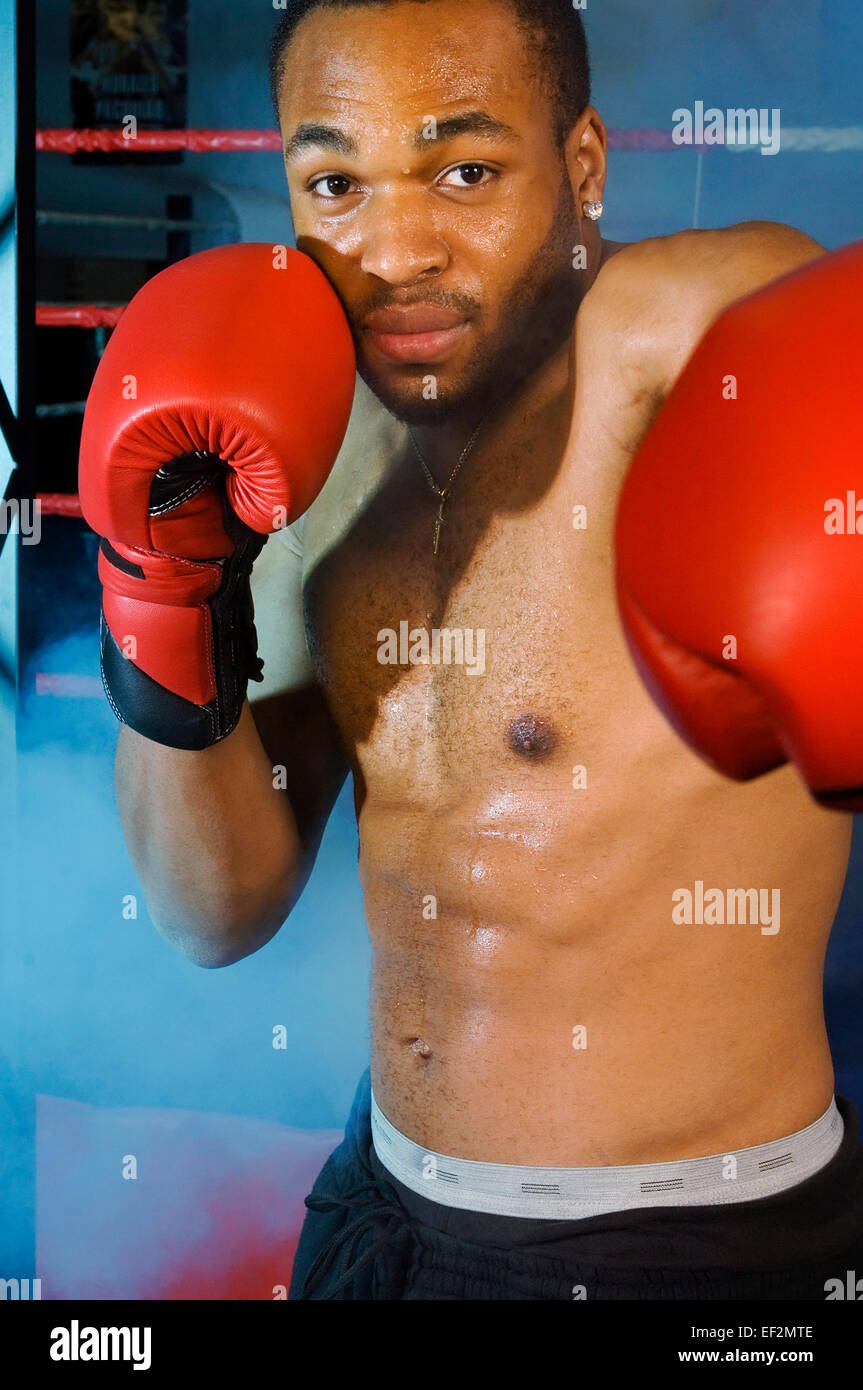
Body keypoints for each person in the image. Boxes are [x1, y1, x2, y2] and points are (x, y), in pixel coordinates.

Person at [80, 0, 863, 1299]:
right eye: (337, 184)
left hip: (691, 1247)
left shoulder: (666, 338)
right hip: (384, 1211)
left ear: (583, 167)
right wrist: (161, 595)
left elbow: (798, 312)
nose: (395, 253)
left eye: (464, 171)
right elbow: (211, 911)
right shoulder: (311, 457)